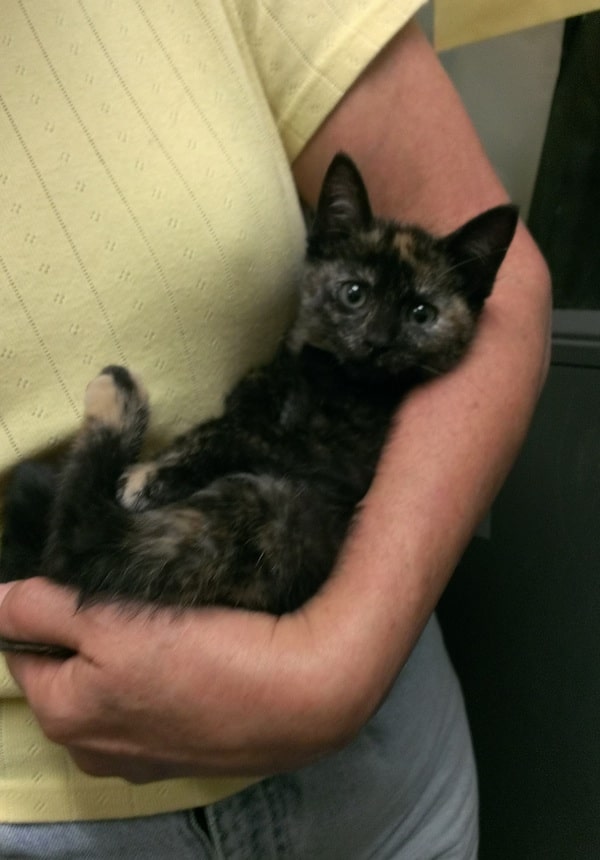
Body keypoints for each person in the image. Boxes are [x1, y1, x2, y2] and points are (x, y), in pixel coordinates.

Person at [0, 1, 551, 857]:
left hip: (385, 767)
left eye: (413, 311)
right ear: (326, 259)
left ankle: (84, 523)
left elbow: (508, 287)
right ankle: (83, 532)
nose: (377, 331)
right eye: (360, 297)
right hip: (54, 799)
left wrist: (336, 666)